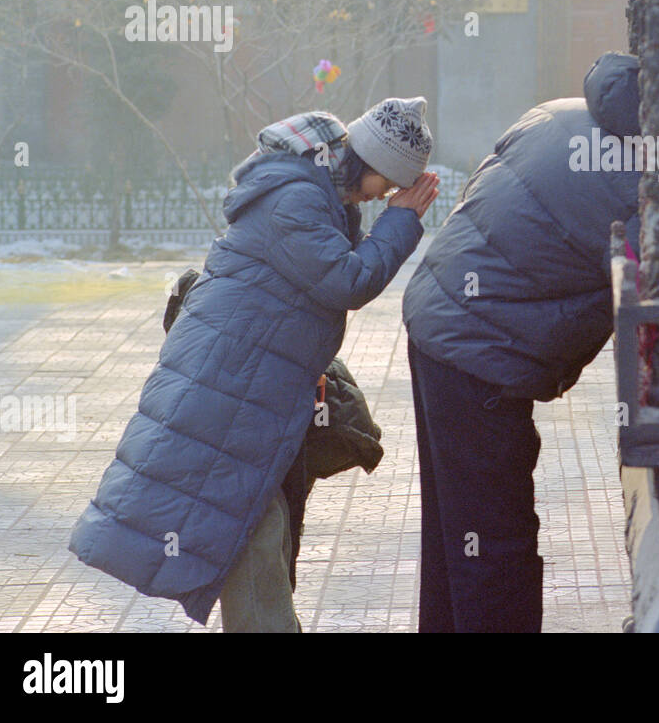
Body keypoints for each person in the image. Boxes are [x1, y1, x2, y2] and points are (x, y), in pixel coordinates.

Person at [402, 52, 659, 632]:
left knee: (457, 535)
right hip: (477, 350)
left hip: (437, 318)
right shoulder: (643, 184)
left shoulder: (564, 111)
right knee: (496, 545)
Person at [69, 99, 440, 631]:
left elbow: (302, 295)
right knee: (251, 529)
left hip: (244, 383)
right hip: (225, 384)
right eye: (390, 181)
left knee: (257, 523)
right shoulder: (297, 199)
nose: (387, 194)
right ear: (370, 160)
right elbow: (348, 282)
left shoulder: (319, 195)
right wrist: (402, 222)